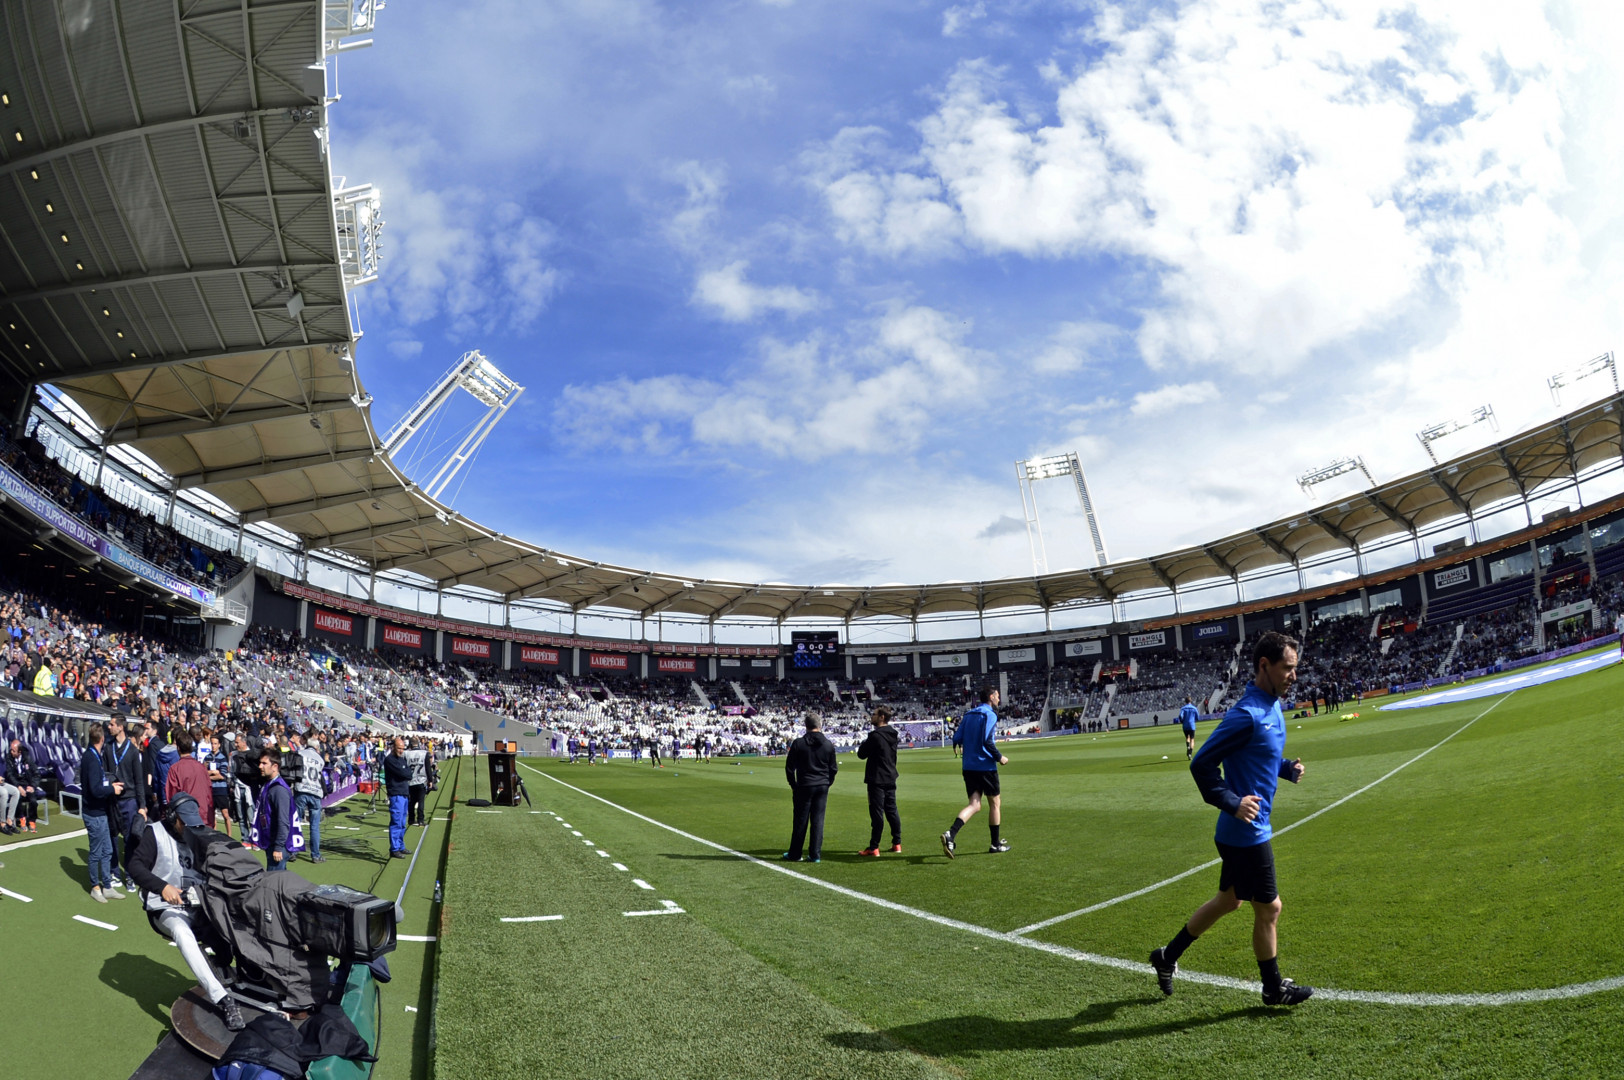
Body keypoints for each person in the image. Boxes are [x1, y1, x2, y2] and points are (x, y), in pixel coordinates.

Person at [1149, 631, 1313, 1006]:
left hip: (1240, 831)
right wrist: (1232, 801)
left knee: (1228, 902)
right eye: (1287, 669)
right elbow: (1202, 764)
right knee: (1270, 908)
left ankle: (1166, 957)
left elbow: (1259, 758)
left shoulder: (1271, 705)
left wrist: (1285, 769)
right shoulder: (1246, 714)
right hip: (1245, 832)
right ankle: (1273, 988)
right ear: (1264, 666)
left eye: (1295, 669)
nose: (1293, 676)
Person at [128, 793, 246, 1031]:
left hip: (199, 904)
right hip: (165, 908)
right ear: (173, 817)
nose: (189, 827)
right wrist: (162, 887)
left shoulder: (198, 833)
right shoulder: (155, 833)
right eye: (185, 821)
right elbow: (134, 866)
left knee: (235, 920)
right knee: (182, 933)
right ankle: (223, 999)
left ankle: (232, 968)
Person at [942, 687, 1010, 858]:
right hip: (985, 767)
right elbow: (987, 740)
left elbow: (957, 738)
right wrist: (999, 757)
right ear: (991, 697)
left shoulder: (969, 715)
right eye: (997, 696)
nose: (998, 698)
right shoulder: (989, 714)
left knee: (975, 805)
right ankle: (995, 845)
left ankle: (951, 834)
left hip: (968, 767)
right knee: (995, 804)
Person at [782, 713, 837, 863]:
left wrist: (793, 785)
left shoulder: (799, 743)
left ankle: (795, 853)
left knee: (800, 820)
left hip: (804, 785)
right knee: (818, 820)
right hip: (821, 786)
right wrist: (827, 782)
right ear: (820, 725)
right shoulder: (828, 744)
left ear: (806, 726)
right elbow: (833, 769)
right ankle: (815, 854)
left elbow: (789, 768)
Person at [80, 723, 124, 902]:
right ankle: (95, 887)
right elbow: (95, 789)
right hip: (93, 813)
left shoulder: (94, 755)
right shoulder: (90, 758)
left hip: (101, 812)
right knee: (96, 852)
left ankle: (107, 885)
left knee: (107, 850)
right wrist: (112, 789)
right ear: (102, 739)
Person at [104, 715, 147, 890]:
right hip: (112, 799)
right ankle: (115, 872)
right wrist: (110, 784)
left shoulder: (133, 752)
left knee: (130, 839)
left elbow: (139, 781)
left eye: (112, 724)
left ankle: (129, 875)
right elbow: (105, 772)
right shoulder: (108, 747)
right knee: (113, 837)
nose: (109, 727)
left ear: (121, 727)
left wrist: (142, 806)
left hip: (129, 800)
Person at [857, 705, 901, 856]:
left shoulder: (875, 736)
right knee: (892, 811)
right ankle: (897, 843)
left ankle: (874, 847)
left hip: (876, 779)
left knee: (876, 813)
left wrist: (865, 742)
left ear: (882, 717)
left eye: (875, 714)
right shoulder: (893, 734)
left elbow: (861, 754)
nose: (872, 716)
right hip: (890, 776)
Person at [252, 749, 294, 871]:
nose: (260, 766)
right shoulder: (269, 785)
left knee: (273, 882)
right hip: (272, 841)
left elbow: (283, 820)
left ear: (275, 766)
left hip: (277, 844)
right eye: (260, 763)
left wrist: (278, 847)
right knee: (279, 882)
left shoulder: (278, 789)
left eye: (264, 763)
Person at [163, 730, 213, 827]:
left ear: (178, 748)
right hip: (202, 815)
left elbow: (171, 795)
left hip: (185, 818)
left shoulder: (175, 769)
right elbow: (209, 793)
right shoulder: (201, 767)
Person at [294, 733, 326, 863]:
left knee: (296, 823)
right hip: (315, 792)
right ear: (317, 748)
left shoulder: (300, 753)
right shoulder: (320, 759)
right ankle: (315, 855)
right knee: (314, 826)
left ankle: (293, 851)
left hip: (301, 789)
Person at [384, 736, 412, 858]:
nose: (401, 750)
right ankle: (394, 849)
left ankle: (400, 846)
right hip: (396, 794)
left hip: (404, 793)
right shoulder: (389, 760)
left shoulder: (401, 759)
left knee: (402, 822)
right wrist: (405, 772)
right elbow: (403, 773)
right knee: (396, 822)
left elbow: (408, 774)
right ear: (393, 747)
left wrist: (405, 772)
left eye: (402, 748)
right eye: (399, 748)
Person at [3, 739, 40, 833]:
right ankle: (21, 817)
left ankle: (32, 821)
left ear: (19, 752)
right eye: (11, 750)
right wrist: (18, 786)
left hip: (27, 783)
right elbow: (10, 775)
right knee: (17, 796)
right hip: (16, 783)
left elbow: (36, 773)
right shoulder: (9, 758)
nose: (11, 752)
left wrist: (33, 786)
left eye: (13, 750)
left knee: (33, 801)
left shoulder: (27, 757)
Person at [205, 734, 233, 835]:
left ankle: (229, 835)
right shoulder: (207, 757)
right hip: (210, 790)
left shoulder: (222, 758)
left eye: (215, 744)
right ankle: (214, 835)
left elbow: (222, 776)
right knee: (212, 815)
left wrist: (211, 774)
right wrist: (214, 772)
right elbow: (204, 772)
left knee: (225, 814)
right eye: (212, 743)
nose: (213, 746)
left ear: (219, 745)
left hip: (221, 790)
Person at [1179, 697, 1200, 761]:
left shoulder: (1183, 708)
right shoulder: (1194, 708)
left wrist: (1182, 721)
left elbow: (1180, 716)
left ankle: (1188, 746)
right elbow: (1197, 717)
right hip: (1192, 725)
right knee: (1192, 739)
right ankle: (1190, 753)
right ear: (1191, 701)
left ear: (1185, 701)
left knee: (1187, 737)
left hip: (1185, 725)